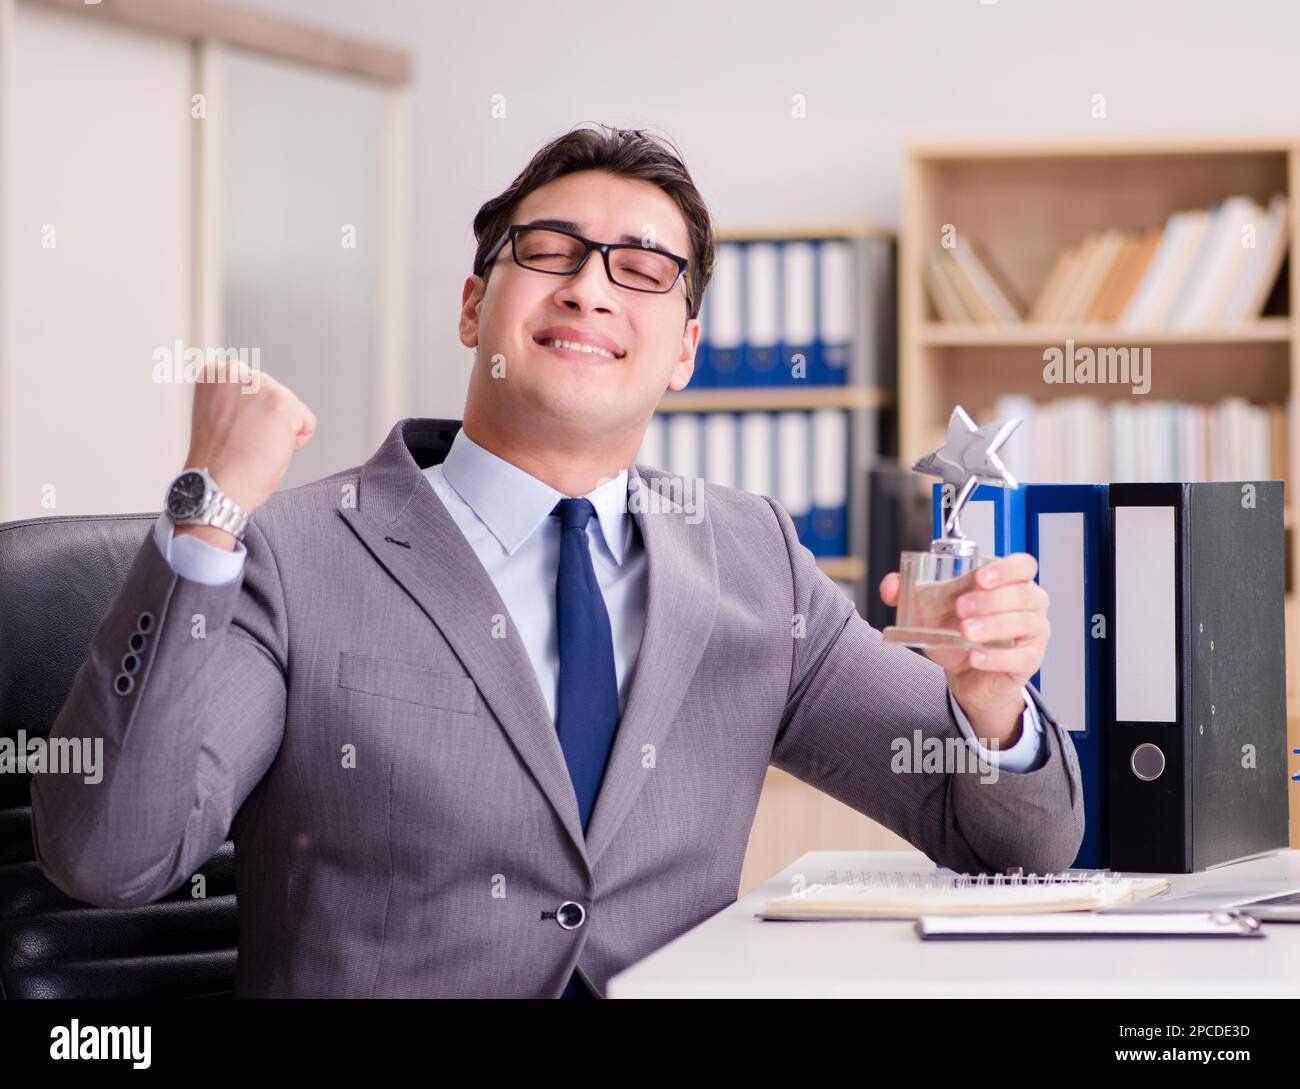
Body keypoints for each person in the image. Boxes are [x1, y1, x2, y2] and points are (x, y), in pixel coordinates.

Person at [32, 123, 1081, 999]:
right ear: (471, 307)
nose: (589, 287)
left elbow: (1014, 846)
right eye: (548, 251)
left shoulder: (754, 559)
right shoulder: (294, 553)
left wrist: (990, 709)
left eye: (642, 268)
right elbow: (112, 854)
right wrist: (205, 515)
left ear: (683, 351)